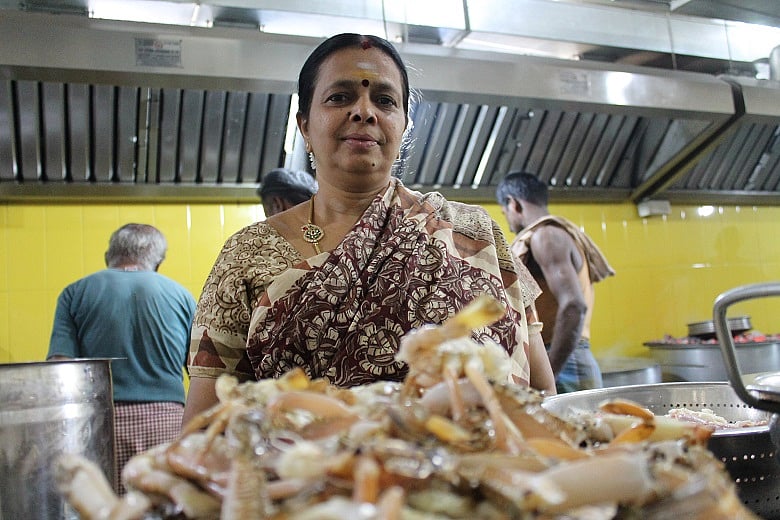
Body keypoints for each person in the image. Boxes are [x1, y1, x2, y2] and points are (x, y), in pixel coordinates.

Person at [183, 33, 555, 425]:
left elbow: (542, 392)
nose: (364, 111)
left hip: (482, 473)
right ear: (305, 126)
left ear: (404, 124)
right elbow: (205, 424)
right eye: (340, 97)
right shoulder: (248, 253)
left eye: (384, 100)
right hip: (309, 477)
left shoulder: (473, 230)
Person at [47, 223, 196, 493]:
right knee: (166, 506)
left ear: (109, 256)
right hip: (169, 424)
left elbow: (60, 367)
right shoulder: (182, 297)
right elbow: (201, 371)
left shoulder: (75, 292)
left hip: (101, 425)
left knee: (106, 507)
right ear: (158, 262)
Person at [496, 172, 615, 393]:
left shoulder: (545, 237)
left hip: (564, 360)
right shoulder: (553, 234)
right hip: (565, 357)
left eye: (505, 214)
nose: (509, 224)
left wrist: (548, 372)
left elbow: (574, 305)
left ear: (514, 205)